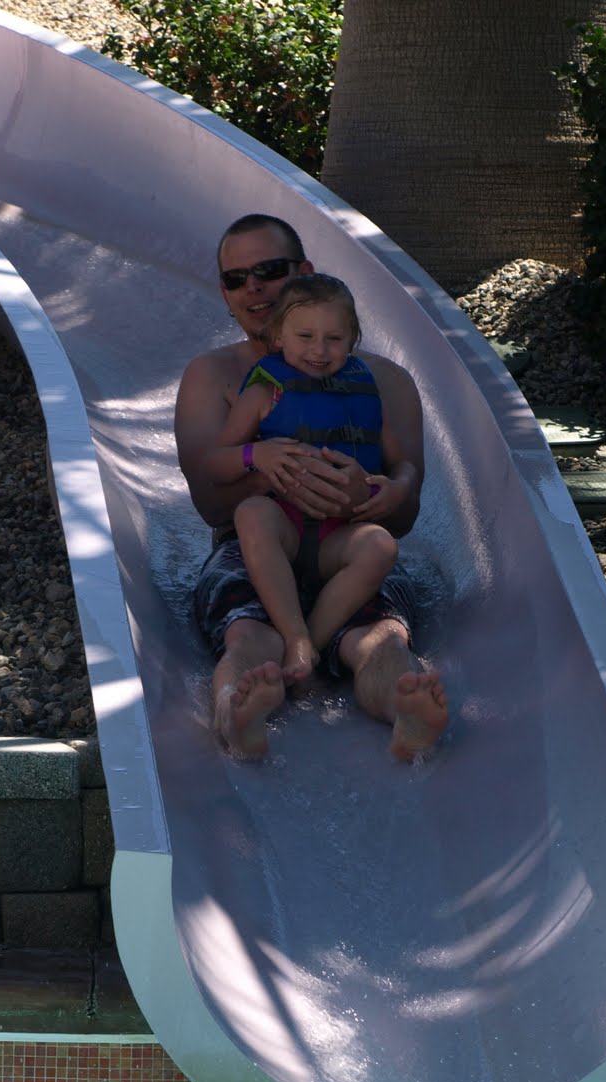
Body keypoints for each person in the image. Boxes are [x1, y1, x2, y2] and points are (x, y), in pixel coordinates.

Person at [177, 214, 448, 761]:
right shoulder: (214, 377)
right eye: (236, 278)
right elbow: (210, 500)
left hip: (344, 547)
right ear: (226, 295)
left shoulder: (383, 382)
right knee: (248, 635)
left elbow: (406, 501)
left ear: (305, 273)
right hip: (253, 549)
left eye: (269, 270)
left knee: (381, 640)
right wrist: (276, 472)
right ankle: (239, 712)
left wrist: (376, 495)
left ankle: (407, 712)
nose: (253, 287)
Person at [202, 273, 413, 690]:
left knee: (382, 545)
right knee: (252, 512)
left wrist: (398, 488)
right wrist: (254, 454)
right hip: (286, 532)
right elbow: (215, 462)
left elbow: (402, 462)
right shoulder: (266, 393)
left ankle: (309, 645)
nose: (319, 350)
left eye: (334, 338)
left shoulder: (364, 391)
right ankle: (296, 637)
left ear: (353, 339)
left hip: (341, 537)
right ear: (279, 335)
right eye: (305, 336)